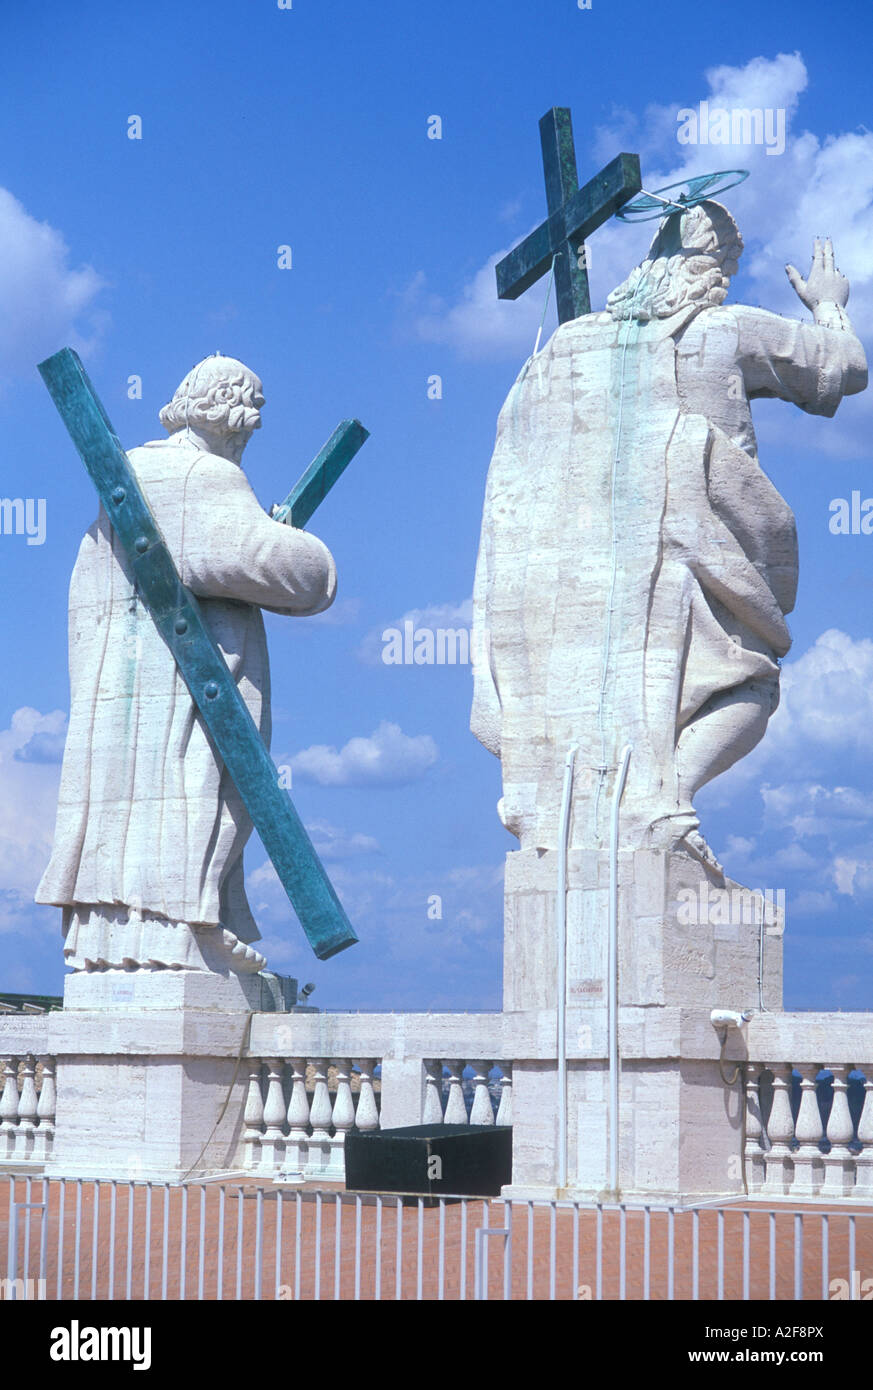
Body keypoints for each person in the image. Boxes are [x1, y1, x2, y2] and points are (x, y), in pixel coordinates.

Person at [471, 205, 867, 863]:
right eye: (726, 267)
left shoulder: (563, 347)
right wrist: (828, 306)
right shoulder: (722, 329)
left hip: (561, 577)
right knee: (748, 682)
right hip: (679, 549)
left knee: (608, 709)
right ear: (711, 269)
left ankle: (603, 810)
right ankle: (663, 803)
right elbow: (843, 369)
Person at [36, 354, 337, 972]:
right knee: (195, 791)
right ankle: (180, 928)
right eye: (250, 424)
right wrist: (315, 558)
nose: (249, 437)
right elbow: (266, 566)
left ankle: (125, 937)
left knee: (132, 803)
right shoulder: (204, 476)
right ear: (235, 418)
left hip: (121, 697)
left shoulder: (126, 478)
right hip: (185, 692)